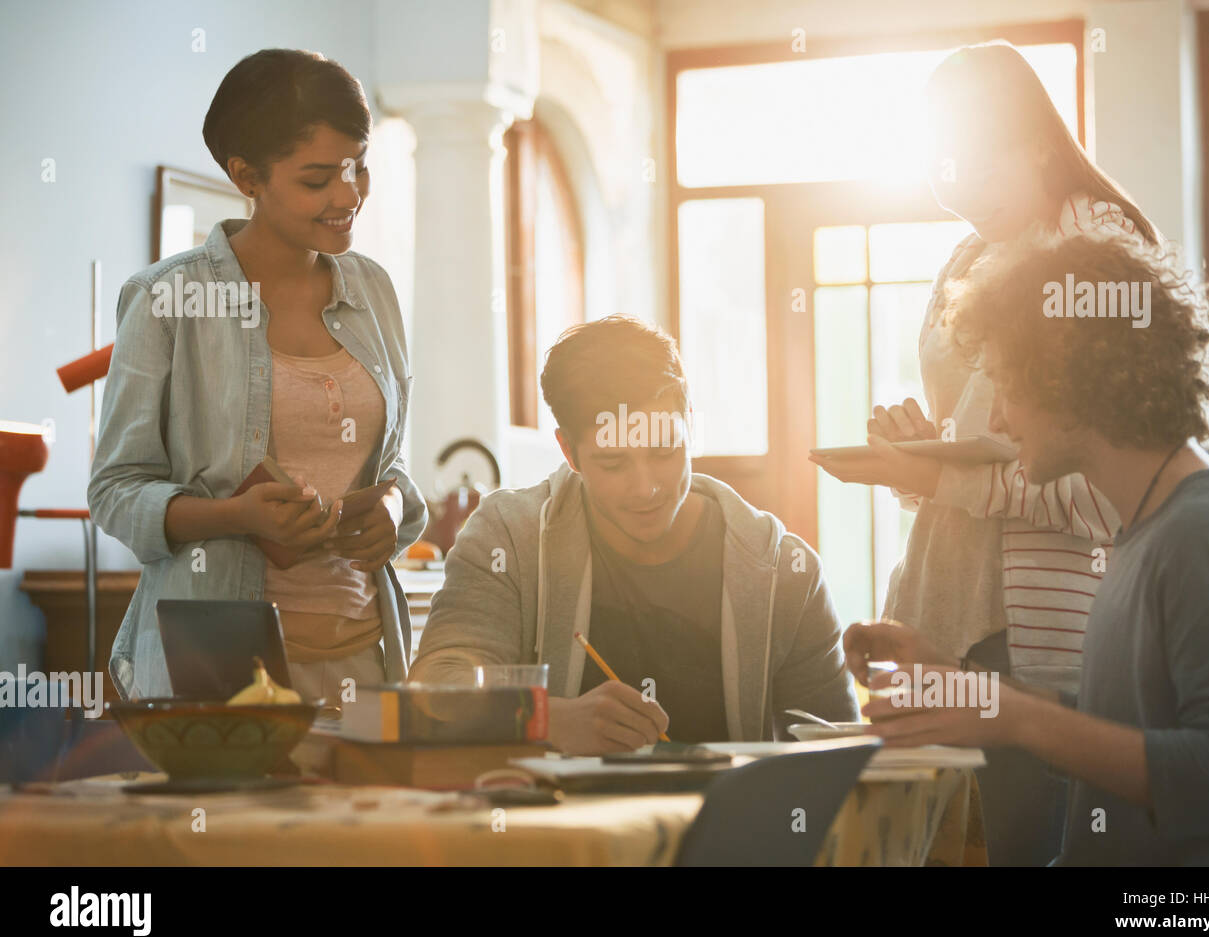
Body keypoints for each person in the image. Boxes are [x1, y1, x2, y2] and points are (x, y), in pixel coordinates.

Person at [811, 40, 1157, 865]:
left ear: (1038, 142)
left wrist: (933, 472)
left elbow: (1098, 483)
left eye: (978, 162)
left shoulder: (1093, 244)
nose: (959, 187)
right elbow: (981, 448)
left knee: (1018, 843)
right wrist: (918, 456)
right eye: (942, 165)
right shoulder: (966, 255)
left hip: (1037, 618)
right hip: (946, 595)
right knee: (933, 844)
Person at [856, 233, 1209, 865]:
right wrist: (971, 691)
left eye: (1007, 386)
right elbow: (1123, 730)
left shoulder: (1207, 535)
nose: (1000, 420)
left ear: (1068, 383)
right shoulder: (1144, 528)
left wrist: (1018, 719)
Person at [88, 49, 427, 702]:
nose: (349, 194)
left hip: (369, 659)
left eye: (359, 166)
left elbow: (390, 467)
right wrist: (235, 516)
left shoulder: (375, 291)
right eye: (318, 178)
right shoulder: (168, 298)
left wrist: (394, 504)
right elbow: (115, 491)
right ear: (246, 175)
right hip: (218, 668)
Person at [407, 316, 857, 753]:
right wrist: (548, 720)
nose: (647, 488)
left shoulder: (783, 571)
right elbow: (431, 699)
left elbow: (839, 756)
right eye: (613, 463)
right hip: (554, 828)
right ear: (570, 452)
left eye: (664, 451)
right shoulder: (508, 540)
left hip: (732, 827)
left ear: (690, 425)